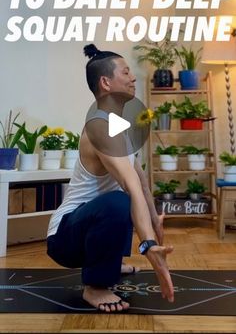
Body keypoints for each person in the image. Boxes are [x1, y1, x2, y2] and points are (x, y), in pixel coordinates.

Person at [46, 44, 174, 313]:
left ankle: (111, 262)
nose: (133, 77)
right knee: (118, 201)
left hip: (86, 229)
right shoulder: (98, 127)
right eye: (125, 72)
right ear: (106, 82)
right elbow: (130, 189)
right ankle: (96, 287)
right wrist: (147, 243)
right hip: (65, 238)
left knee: (124, 198)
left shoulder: (119, 129)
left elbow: (141, 184)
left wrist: (155, 225)